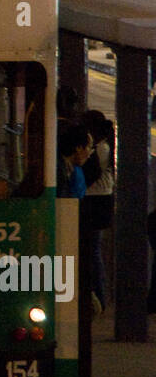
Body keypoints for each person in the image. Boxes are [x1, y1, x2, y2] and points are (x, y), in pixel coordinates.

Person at [81, 110, 114, 314]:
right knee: (94, 251)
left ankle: (99, 298)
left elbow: (89, 176)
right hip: (101, 201)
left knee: (92, 252)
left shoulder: (100, 149)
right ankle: (99, 295)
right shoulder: (105, 146)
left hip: (96, 202)